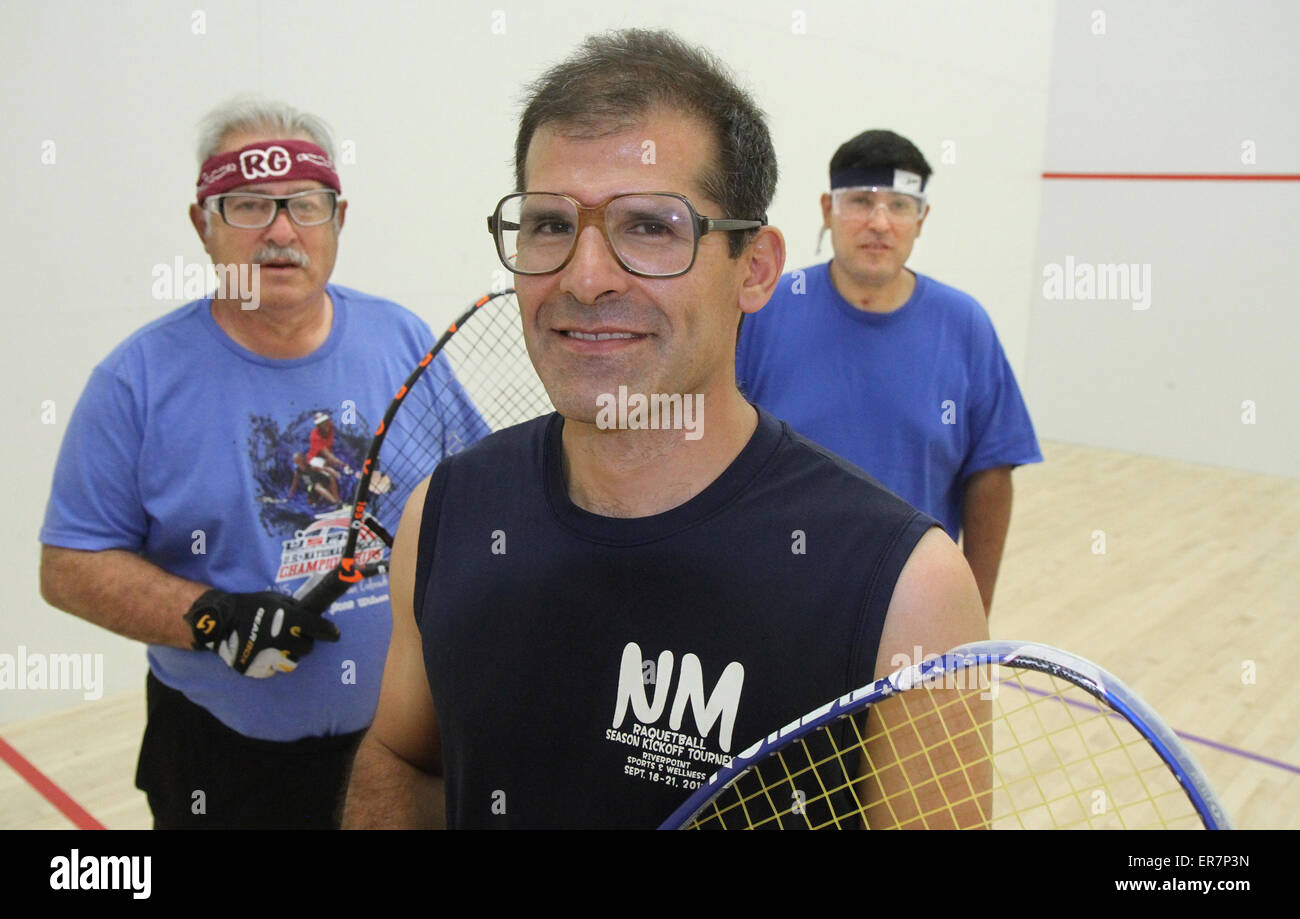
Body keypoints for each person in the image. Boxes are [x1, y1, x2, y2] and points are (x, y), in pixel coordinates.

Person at [343, 31, 988, 830]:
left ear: (755, 269)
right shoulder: (443, 515)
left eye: (650, 226)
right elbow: (403, 758)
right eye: (549, 225)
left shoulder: (910, 593)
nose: (585, 278)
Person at [38, 98, 486, 829]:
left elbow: (472, 499)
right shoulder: (135, 381)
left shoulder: (402, 339)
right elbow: (69, 565)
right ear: (202, 224)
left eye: (305, 204)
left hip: (404, 744)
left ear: (338, 219)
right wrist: (212, 617)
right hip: (222, 762)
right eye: (248, 204)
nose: (281, 231)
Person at [736, 130, 1042, 616]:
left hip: (913, 607)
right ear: (827, 209)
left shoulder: (965, 324)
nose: (879, 222)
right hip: (776, 596)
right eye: (860, 201)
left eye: (900, 205)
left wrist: (974, 610)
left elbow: (990, 473)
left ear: (921, 219)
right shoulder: (763, 309)